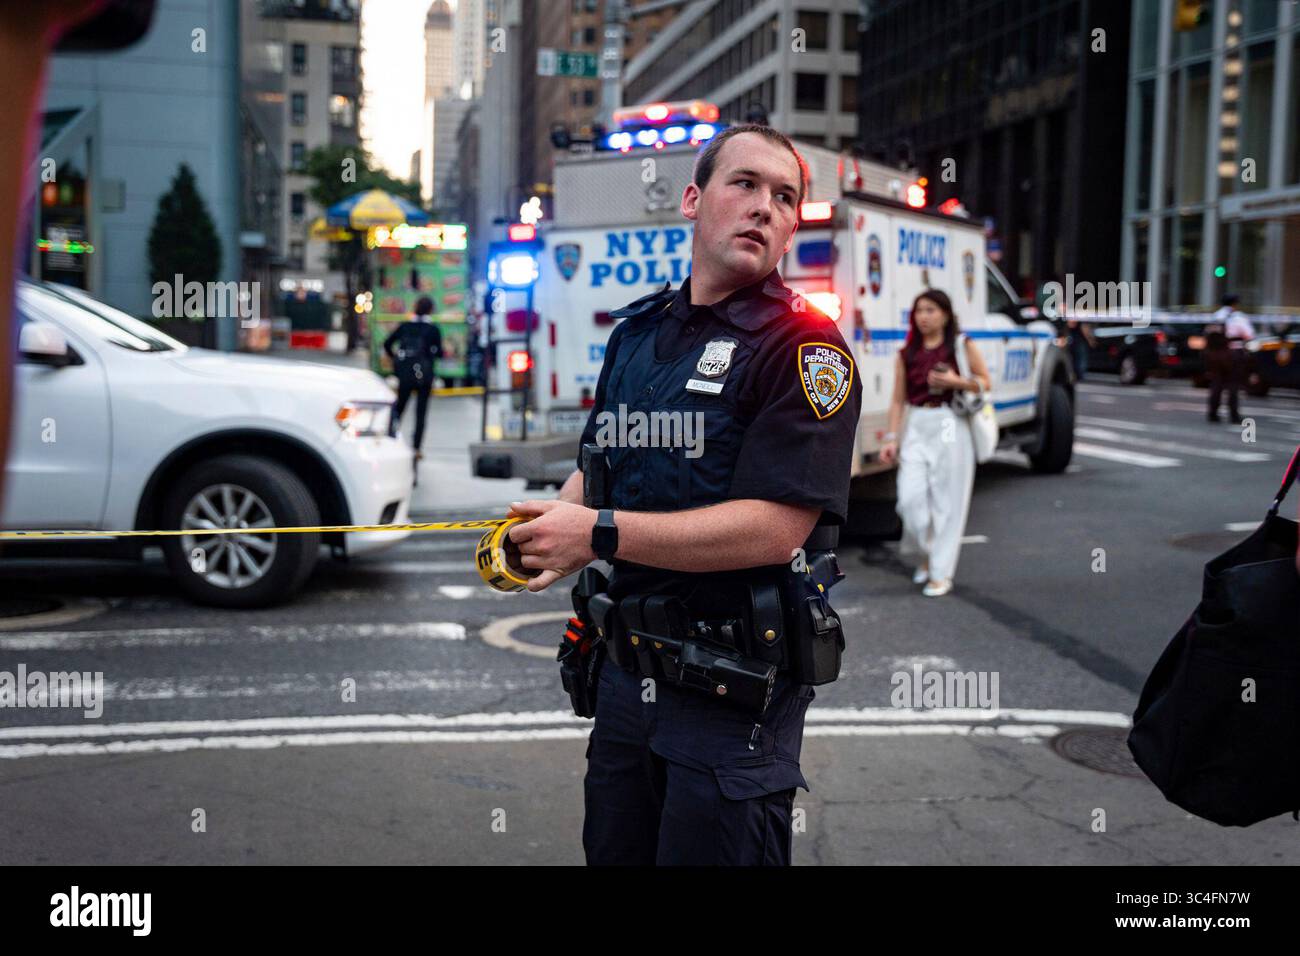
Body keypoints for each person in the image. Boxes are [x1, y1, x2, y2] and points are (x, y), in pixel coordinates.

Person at [504, 124, 862, 866]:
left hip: (731, 702)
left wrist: (596, 535)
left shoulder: (806, 349)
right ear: (693, 200)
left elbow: (775, 529)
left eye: (785, 197)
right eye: (746, 185)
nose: (765, 207)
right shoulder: (636, 336)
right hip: (625, 682)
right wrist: (540, 529)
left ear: (794, 224)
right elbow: (597, 464)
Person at [879, 290, 991, 598]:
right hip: (916, 423)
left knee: (947, 502)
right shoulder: (906, 353)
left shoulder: (961, 345)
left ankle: (940, 573)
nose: (923, 316)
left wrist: (956, 382)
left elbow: (985, 381)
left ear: (944, 313)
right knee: (909, 500)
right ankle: (929, 554)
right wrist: (891, 437)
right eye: (918, 311)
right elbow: (897, 399)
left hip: (949, 423)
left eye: (930, 310)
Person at [383, 296, 442, 459]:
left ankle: (390, 438)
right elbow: (440, 353)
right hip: (424, 375)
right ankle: (416, 447)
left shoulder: (405, 326)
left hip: (405, 373)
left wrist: (395, 359)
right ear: (431, 310)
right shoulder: (433, 329)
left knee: (399, 408)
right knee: (421, 412)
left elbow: (387, 343)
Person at [1204, 293, 1255, 424]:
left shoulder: (1216, 316)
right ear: (1235, 304)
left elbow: (1207, 334)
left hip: (1215, 354)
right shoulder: (1239, 317)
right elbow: (1249, 335)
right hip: (1234, 354)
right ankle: (1233, 415)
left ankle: (1212, 413)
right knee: (1233, 385)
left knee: (1216, 383)